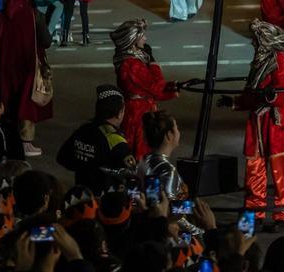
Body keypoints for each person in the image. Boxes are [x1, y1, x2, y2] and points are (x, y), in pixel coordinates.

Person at [218, 21, 284, 232]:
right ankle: (254, 213)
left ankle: (282, 214)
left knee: (281, 173)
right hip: (258, 124)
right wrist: (235, 102)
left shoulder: (279, 60)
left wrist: (270, 96)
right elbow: (252, 94)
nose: (253, 43)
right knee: (254, 169)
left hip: (276, 124)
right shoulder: (259, 62)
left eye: (256, 39)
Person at [0, 0, 52, 157]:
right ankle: (26, 142)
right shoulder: (33, 14)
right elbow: (46, 41)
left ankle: (7, 137)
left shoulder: (0, 16)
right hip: (28, 64)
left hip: (4, 66)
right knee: (27, 102)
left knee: (7, 99)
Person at [111, 19, 179, 158]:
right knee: (141, 150)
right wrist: (153, 63)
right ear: (133, 39)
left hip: (137, 108)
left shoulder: (131, 58)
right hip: (138, 113)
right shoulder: (132, 64)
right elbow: (155, 86)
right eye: (142, 36)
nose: (145, 39)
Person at [56, 85, 136, 193]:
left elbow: (63, 158)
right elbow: (132, 176)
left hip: (82, 194)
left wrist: (85, 167)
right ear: (119, 113)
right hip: (105, 199)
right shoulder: (116, 142)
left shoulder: (83, 130)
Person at [134, 110, 187, 200]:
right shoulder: (168, 171)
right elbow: (167, 205)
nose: (179, 132)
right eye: (177, 128)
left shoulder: (142, 161)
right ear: (169, 135)